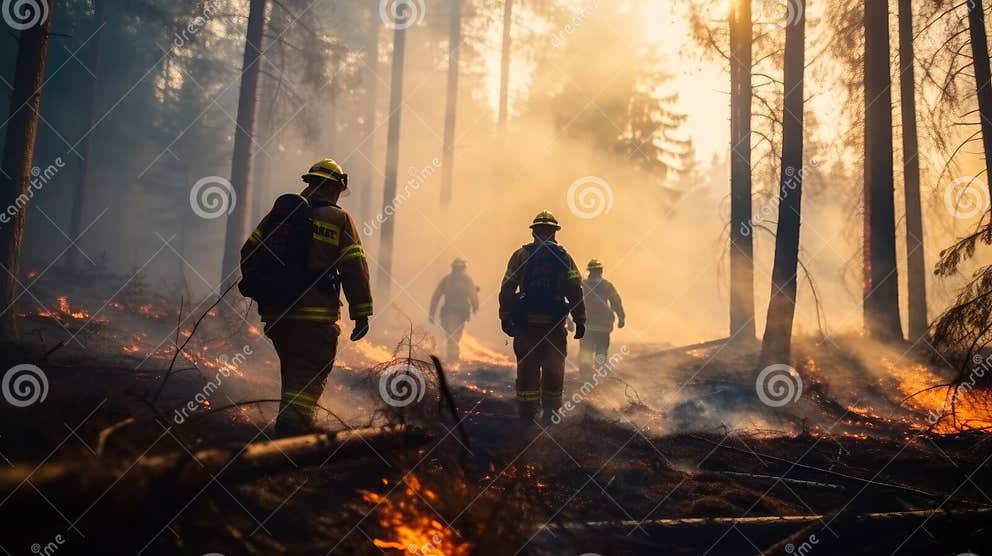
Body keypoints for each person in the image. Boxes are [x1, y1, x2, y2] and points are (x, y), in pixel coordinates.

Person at [241, 158, 373, 436]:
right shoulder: (338, 218)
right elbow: (354, 267)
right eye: (337, 189)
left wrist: (267, 285)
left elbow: (248, 252)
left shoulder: (280, 216)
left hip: (277, 315)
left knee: (294, 373)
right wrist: (361, 312)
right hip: (314, 316)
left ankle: (293, 425)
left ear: (311, 185)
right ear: (331, 188)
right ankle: (291, 432)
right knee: (310, 373)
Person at [498, 210, 586, 424]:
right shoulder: (565, 257)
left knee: (527, 371)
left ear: (534, 232)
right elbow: (575, 290)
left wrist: (505, 316)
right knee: (554, 370)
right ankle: (551, 414)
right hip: (554, 327)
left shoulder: (520, 255)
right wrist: (580, 319)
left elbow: (507, 287)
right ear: (555, 232)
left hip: (526, 326)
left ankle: (527, 416)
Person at [579, 259, 625, 381]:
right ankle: (600, 373)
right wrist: (621, 317)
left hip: (587, 326)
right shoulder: (607, 285)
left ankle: (585, 375)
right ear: (600, 271)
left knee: (586, 350)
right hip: (603, 326)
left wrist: (572, 320)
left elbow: (575, 303)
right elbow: (616, 302)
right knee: (601, 350)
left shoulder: (583, 285)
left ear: (590, 271)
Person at [429, 258, 480, 362]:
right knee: (452, 335)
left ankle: (452, 357)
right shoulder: (450, 280)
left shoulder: (464, 280)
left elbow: (473, 295)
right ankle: (452, 358)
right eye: (457, 268)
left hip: (459, 313)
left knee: (454, 335)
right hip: (450, 312)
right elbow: (436, 296)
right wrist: (431, 313)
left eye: (460, 268)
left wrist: (475, 306)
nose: (459, 270)